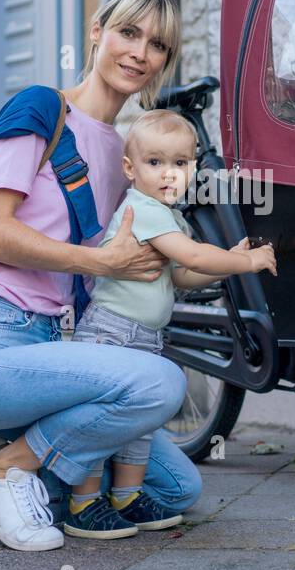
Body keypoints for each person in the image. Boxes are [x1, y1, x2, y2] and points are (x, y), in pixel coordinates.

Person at [0, 0, 202, 552]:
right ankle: (4, 467)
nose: (139, 53)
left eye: (157, 46)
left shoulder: (130, 152)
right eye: (127, 32)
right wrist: (101, 261)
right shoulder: (40, 109)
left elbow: (140, 263)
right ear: (97, 32)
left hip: (63, 351)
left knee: (176, 490)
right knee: (160, 384)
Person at [62, 110, 277, 538]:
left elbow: (182, 275)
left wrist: (227, 267)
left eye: (180, 163)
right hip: (113, 333)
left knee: (139, 424)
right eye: (154, 162)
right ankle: (82, 504)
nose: (168, 174)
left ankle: (126, 495)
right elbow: (194, 256)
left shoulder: (167, 215)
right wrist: (247, 260)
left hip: (144, 336)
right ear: (130, 168)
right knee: (105, 421)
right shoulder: (142, 210)